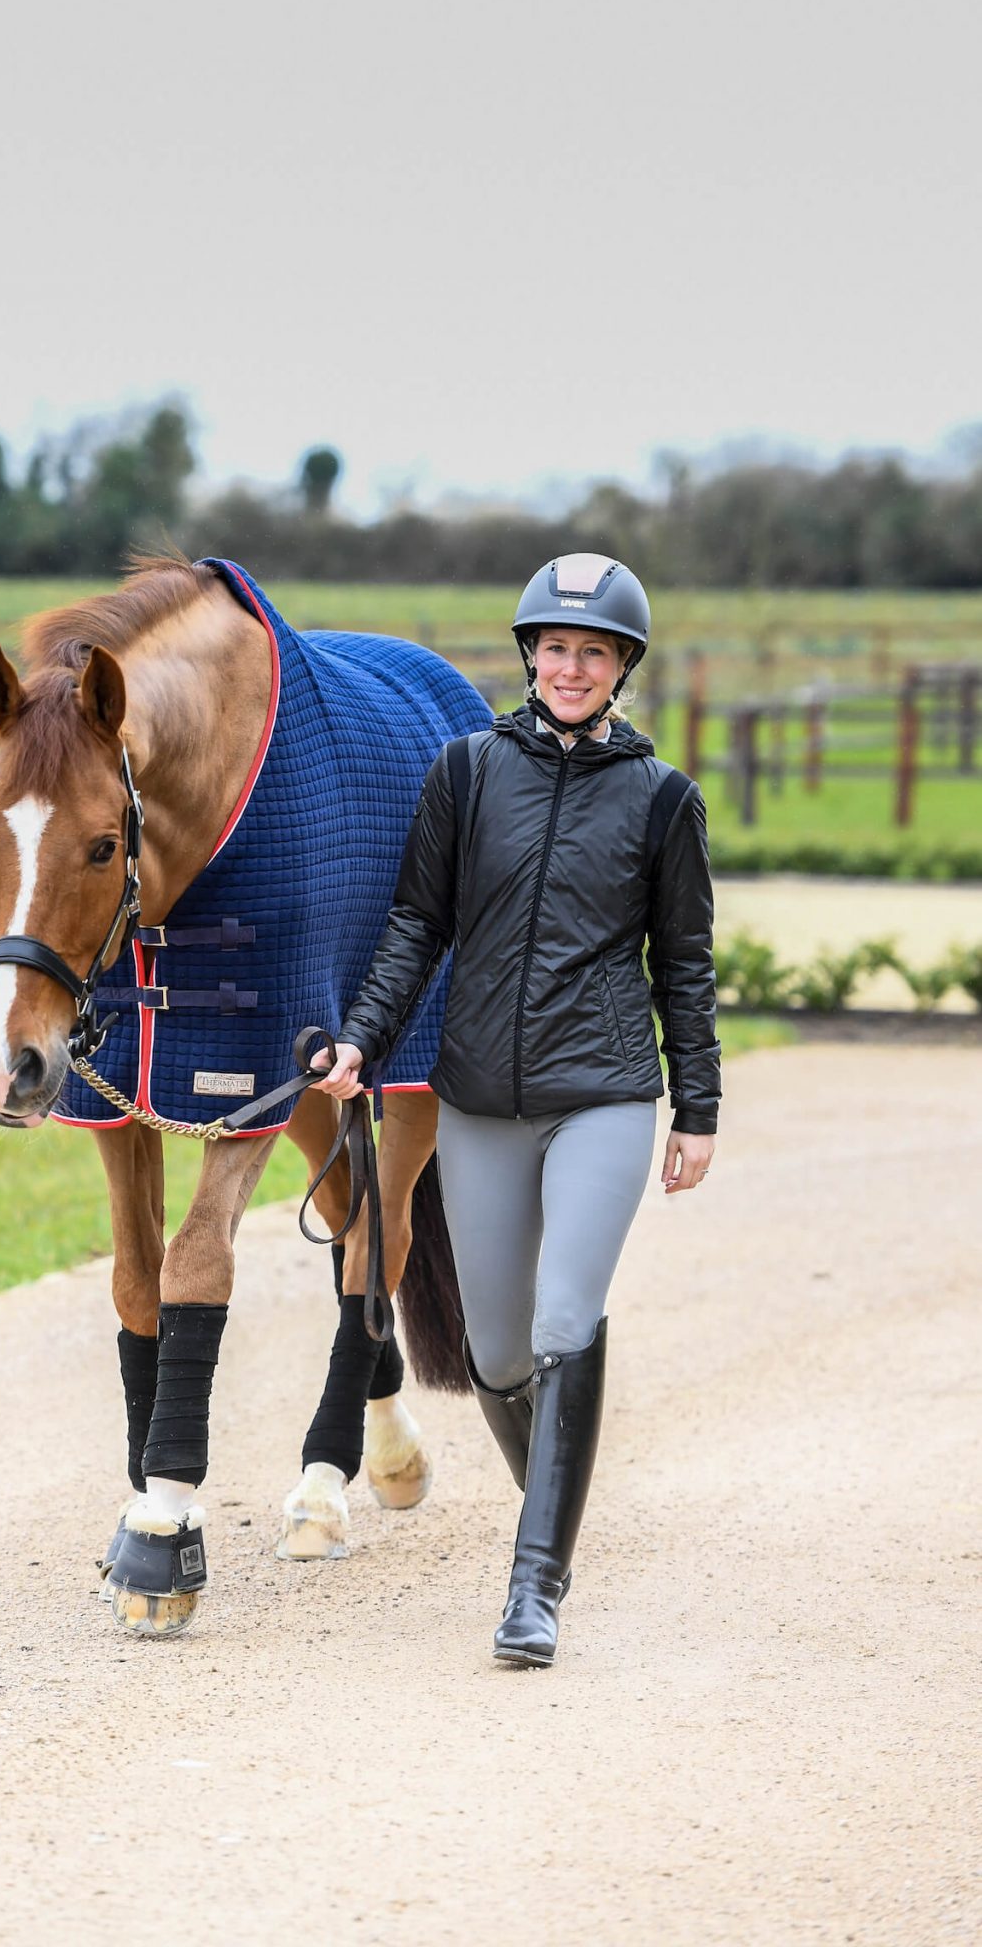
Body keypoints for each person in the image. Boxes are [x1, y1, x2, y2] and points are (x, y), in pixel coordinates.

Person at [316, 553, 720, 1667]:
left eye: (594, 650)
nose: (572, 666)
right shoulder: (465, 773)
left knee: (560, 1322)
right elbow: (414, 928)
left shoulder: (662, 800)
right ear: (530, 656)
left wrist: (699, 1104)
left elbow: (684, 964)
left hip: (604, 1095)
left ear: (622, 665)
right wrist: (362, 1038)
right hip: (480, 1098)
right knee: (494, 1351)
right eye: (556, 647)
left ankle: (533, 1583)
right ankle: (558, 1505)